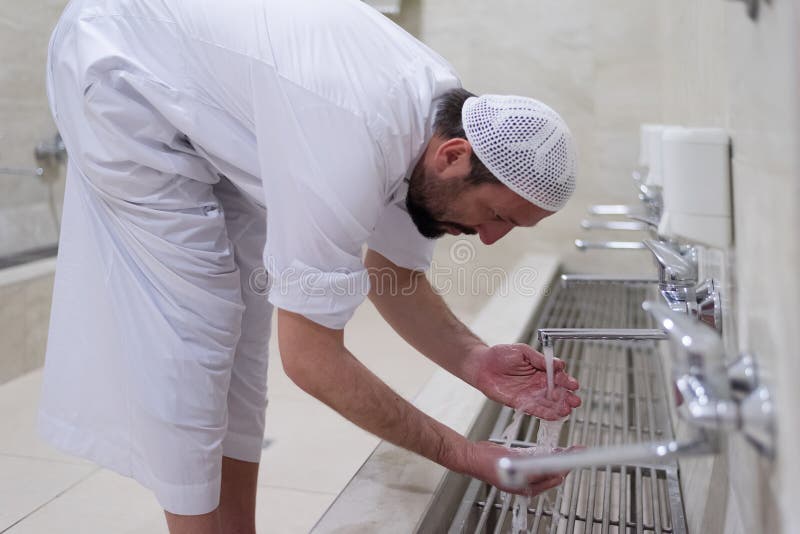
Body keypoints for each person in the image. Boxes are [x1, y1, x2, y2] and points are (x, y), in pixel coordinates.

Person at [38, 0, 581, 532]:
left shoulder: (436, 121)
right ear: (454, 157)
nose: (488, 239)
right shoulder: (353, 136)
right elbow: (312, 361)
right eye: (495, 215)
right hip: (119, 65)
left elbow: (396, 279)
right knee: (196, 334)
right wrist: (463, 454)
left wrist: (476, 362)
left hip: (204, 84)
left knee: (242, 332)